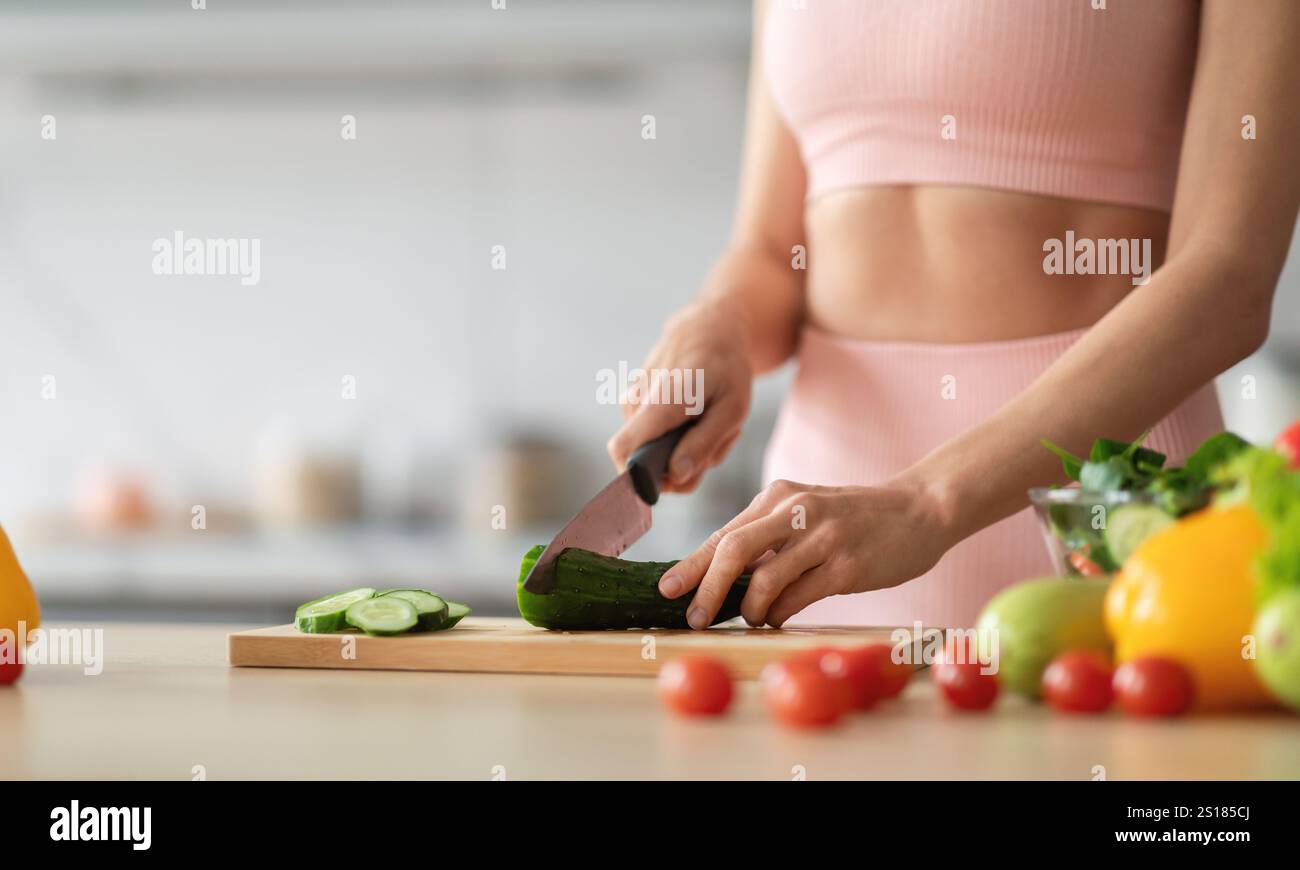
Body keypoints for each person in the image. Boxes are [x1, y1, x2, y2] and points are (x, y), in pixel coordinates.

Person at [606, 0, 1300, 630]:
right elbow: (770, 250)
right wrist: (720, 318)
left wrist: (926, 503)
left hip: (1099, 517)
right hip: (817, 546)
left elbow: (1227, 276)